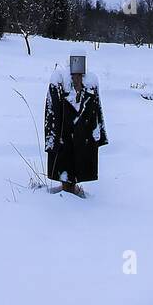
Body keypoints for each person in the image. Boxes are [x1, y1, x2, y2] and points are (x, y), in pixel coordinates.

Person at [44, 53, 108, 197]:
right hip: (63, 139)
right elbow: (51, 115)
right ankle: (66, 189)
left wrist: (100, 136)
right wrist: (51, 141)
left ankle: (73, 189)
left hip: (83, 138)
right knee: (65, 163)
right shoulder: (58, 83)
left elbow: (97, 111)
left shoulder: (91, 84)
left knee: (78, 162)